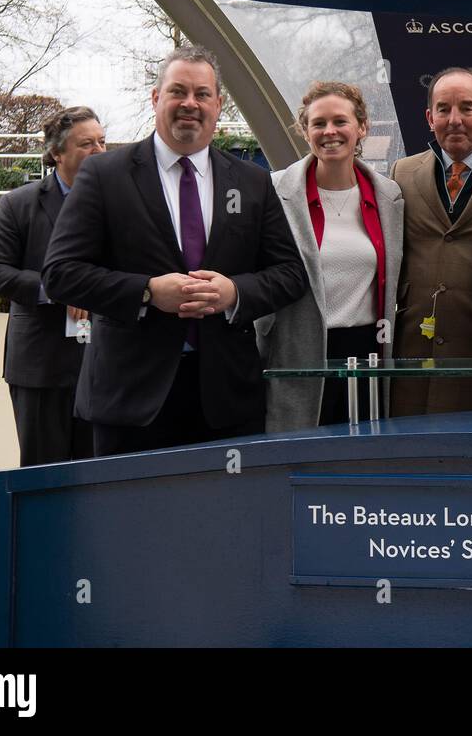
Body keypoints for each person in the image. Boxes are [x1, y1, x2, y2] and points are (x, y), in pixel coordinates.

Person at [42, 45, 307, 455]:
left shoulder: (254, 183)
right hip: (130, 401)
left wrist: (234, 293)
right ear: (155, 98)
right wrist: (147, 291)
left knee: (227, 518)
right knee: (131, 518)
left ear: (218, 104)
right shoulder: (104, 174)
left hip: (226, 401)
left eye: (202, 94)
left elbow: (290, 272)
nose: (190, 103)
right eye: (177, 91)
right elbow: (60, 273)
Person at [257, 81, 403, 430]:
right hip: (298, 349)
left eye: (340, 121)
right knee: (300, 458)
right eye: (318, 123)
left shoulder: (390, 196)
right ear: (304, 131)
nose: (329, 131)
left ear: (362, 127)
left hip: (367, 352)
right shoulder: (273, 193)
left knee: (360, 462)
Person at [390, 67, 472, 416]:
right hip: (413, 358)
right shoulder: (401, 173)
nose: (454, 119)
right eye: (443, 109)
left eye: (466, 108)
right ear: (429, 117)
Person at [0, 106, 105, 466]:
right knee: (44, 481)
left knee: (99, 478)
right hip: (41, 368)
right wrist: (58, 289)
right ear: (57, 153)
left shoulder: (117, 203)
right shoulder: (19, 204)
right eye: (86, 144)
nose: (98, 151)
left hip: (102, 366)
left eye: (102, 142)